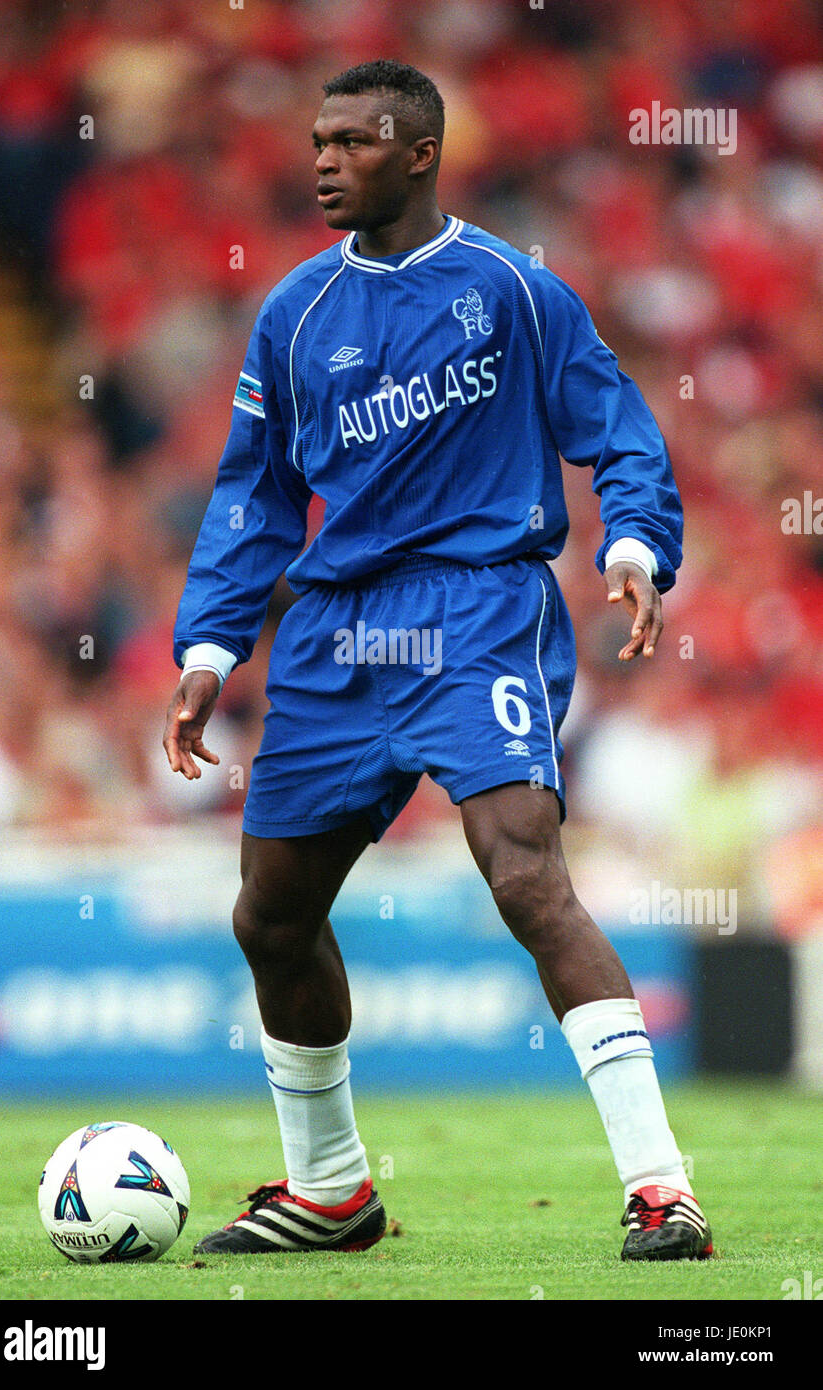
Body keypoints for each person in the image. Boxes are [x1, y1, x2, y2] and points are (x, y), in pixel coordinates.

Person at [163, 59, 712, 1262]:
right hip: (334, 633)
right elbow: (252, 496)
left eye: (350, 141)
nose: (320, 160)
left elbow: (614, 427)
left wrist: (631, 542)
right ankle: (331, 1190)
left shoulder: (514, 291)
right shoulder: (292, 314)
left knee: (522, 874)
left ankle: (661, 1189)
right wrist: (208, 645)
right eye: (315, 139)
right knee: (271, 915)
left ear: (417, 154)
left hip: (478, 610)